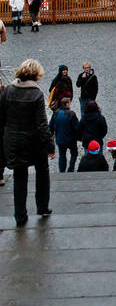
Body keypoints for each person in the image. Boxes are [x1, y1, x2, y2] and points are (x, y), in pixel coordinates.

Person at [0, 58, 55, 225]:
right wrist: (50, 145)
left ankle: (20, 215)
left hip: (14, 141)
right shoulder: (36, 94)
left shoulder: (8, 91)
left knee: (19, 176)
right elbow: (41, 124)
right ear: (36, 75)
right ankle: (42, 206)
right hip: (34, 142)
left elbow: (1, 119)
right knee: (42, 172)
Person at [48, 96, 80, 173]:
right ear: (66, 104)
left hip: (60, 140)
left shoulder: (56, 114)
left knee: (62, 156)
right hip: (71, 139)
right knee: (74, 153)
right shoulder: (71, 114)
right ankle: (71, 168)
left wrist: (51, 138)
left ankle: (62, 171)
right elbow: (77, 127)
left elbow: (50, 127)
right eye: (69, 103)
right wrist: (79, 137)